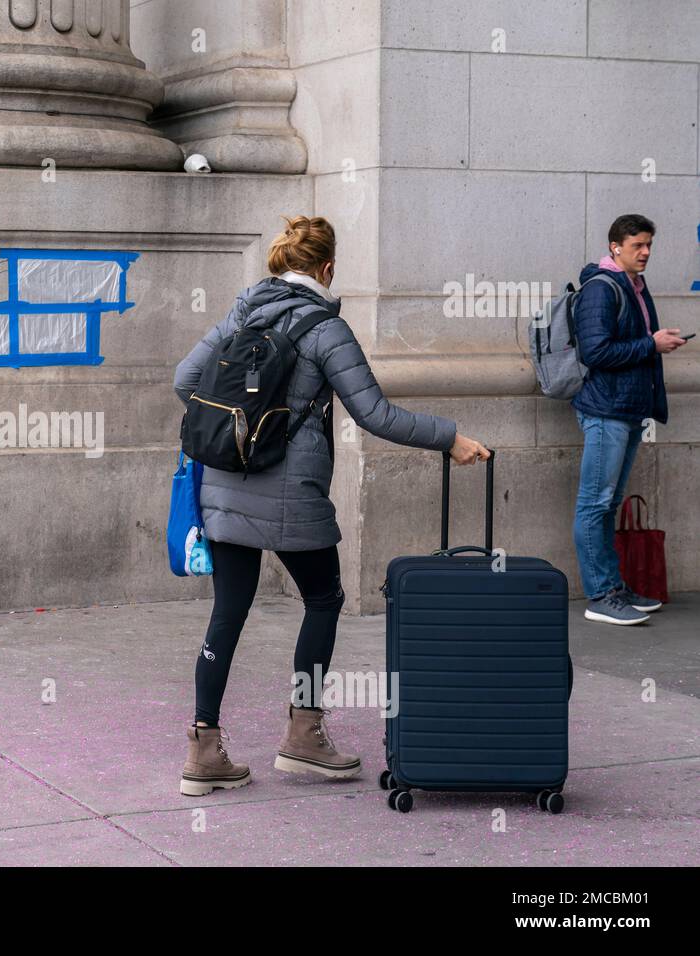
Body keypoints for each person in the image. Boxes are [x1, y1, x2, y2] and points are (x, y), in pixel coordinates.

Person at [172, 215, 491, 796]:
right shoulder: (326, 328)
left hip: (224, 484)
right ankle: (302, 735)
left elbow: (183, 379)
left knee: (228, 612)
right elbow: (377, 414)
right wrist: (451, 437)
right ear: (327, 268)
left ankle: (203, 750)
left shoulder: (242, 312)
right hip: (291, 494)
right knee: (323, 597)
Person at [571, 214, 686, 625]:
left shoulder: (633, 285)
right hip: (606, 411)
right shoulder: (601, 288)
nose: (646, 253)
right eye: (638, 245)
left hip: (627, 409)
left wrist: (654, 344)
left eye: (649, 245)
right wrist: (650, 344)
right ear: (615, 246)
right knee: (594, 504)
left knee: (607, 505)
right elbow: (595, 353)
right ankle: (600, 596)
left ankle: (614, 588)